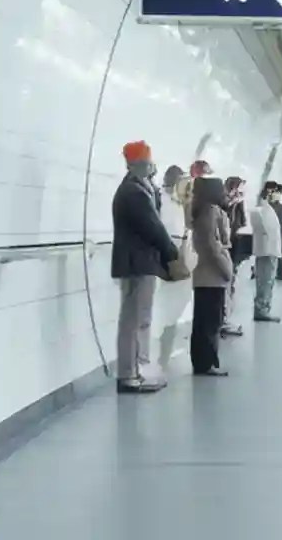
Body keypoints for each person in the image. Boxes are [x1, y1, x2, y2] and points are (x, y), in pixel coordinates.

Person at [110, 141, 179, 394]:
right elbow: (152, 225)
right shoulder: (133, 192)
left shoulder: (140, 188)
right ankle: (129, 375)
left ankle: (136, 370)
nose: (153, 165)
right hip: (136, 265)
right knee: (134, 320)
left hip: (140, 264)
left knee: (138, 318)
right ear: (140, 163)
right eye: (149, 161)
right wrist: (170, 250)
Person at [191, 176, 232, 376]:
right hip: (212, 276)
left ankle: (203, 362)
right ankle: (205, 363)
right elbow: (212, 246)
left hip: (205, 276)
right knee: (210, 322)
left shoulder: (201, 211)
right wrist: (226, 269)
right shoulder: (210, 213)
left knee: (204, 321)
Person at [249, 181, 282, 323]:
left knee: (267, 280)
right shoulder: (261, 208)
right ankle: (262, 309)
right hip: (267, 249)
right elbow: (264, 229)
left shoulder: (266, 207)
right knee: (265, 280)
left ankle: (263, 308)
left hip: (269, 249)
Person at [221, 176, 250, 337]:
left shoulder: (238, 204)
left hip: (234, 246)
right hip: (225, 246)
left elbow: (242, 223)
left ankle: (226, 316)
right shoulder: (222, 204)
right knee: (225, 282)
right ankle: (222, 318)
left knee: (231, 282)